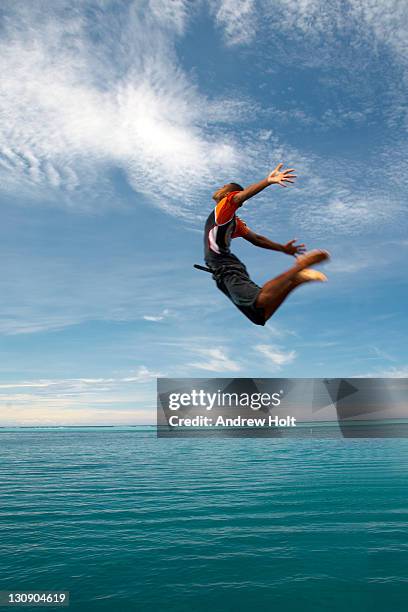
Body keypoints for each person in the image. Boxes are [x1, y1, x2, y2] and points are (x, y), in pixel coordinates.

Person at [203, 163, 329, 326]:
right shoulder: (232, 221)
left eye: (225, 187)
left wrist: (268, 181)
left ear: (229, 194)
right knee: (260, 316)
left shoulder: (223, 208)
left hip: (222, 264)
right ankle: (298, 279)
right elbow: (257, 239)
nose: (220, 188)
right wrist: (283, 248)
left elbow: (239, 197)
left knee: (262, 299)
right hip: (222, 270)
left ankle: (299, 266)